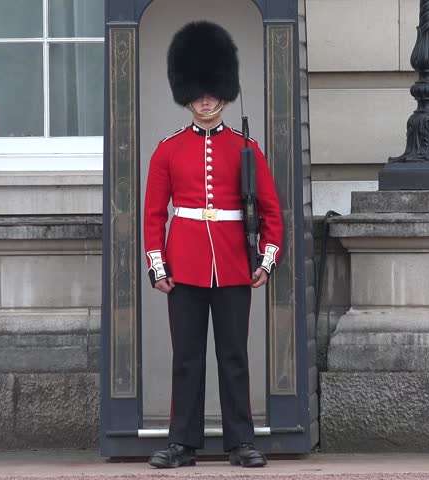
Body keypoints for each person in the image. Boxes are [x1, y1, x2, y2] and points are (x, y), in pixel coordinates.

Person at [143, 21, 283, 469]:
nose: (204, 99)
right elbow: (153, 215)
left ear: (223, 92)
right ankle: (182, 443)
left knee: (233, 356)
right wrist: (158, 265)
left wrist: (266, 259)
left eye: (211, 90)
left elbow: (272, 211)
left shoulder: (248, 149)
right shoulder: (167, 150)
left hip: (232, 262)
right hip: (183, 264)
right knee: (186, 358)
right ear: (188, 94)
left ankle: (240, 441)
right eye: (197, 92)